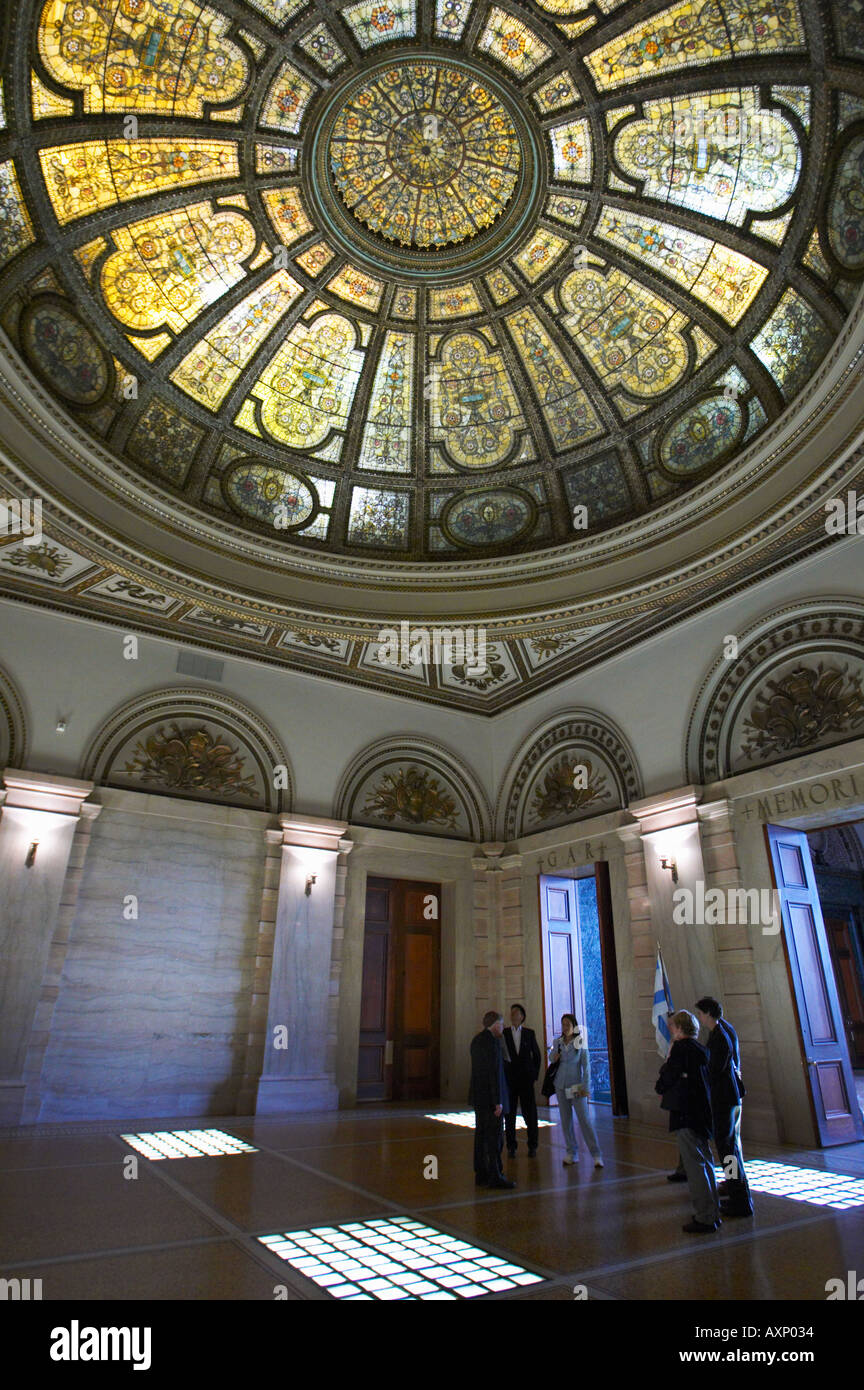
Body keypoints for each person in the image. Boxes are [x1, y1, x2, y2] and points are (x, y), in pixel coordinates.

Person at [656, 1009, 720, 1233]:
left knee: (694, 1167)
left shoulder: (681, 1050)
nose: (670, 1029)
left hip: (686, 1113)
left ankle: (705, 1216)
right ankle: (713, 1211)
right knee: (706, 1163)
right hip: (702, 1113)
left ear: (680, 1028)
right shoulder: (700, 1049)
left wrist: (661, 1084)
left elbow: (667, 1076)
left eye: (672, 1026)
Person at [695, 996, 753, 1219]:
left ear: (708, 1013)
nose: (700, 1018)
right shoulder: (723, 1030)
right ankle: (735, 1190)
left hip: (724, 1099)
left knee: (728, 1150)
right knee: (729, 1149)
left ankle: (740, 1200)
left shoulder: (720, 1038)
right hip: (729, 1097)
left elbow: (714, 1069)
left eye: (701, 1013)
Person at [548, 1013, 604, 1168]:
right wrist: (555, 1055)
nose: (565, 1027)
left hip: (576, 1085)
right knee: (565, 1120)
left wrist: (586, 1087)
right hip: (560, 1084)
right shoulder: (558, 1042)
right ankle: (572, 1152)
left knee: (584, 1120)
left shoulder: (579, 1042)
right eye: (563, 1024)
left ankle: (596, 1154)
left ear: (574, 1026)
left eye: (568, 1024)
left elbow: (586, 1066)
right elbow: (551, 1058)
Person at [469, 1011, 515, 1190]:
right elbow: (494, 1072)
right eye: (502, 1024)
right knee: (494, 1138)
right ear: (495, 1024)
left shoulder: (476, 1040)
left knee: (480, 1135)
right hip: (491, 1100)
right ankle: (495, 1175)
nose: (503, 1028)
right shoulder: (493, 1043)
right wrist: (498, 1101)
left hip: (479, 1098)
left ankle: (481, 1173)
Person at [502, 1004, 542, 1158]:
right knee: (509, 1114)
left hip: (526, 1080)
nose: (513, 1015)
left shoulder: (529, 1033)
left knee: (530, 1113)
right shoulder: (504, 1033)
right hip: (510, 1080)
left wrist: (534, 1075)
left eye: (516, 1013)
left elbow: (537, 1056)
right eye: (511, 1013)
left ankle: (533, 1145)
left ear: (522, 1016)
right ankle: (511, 1146)